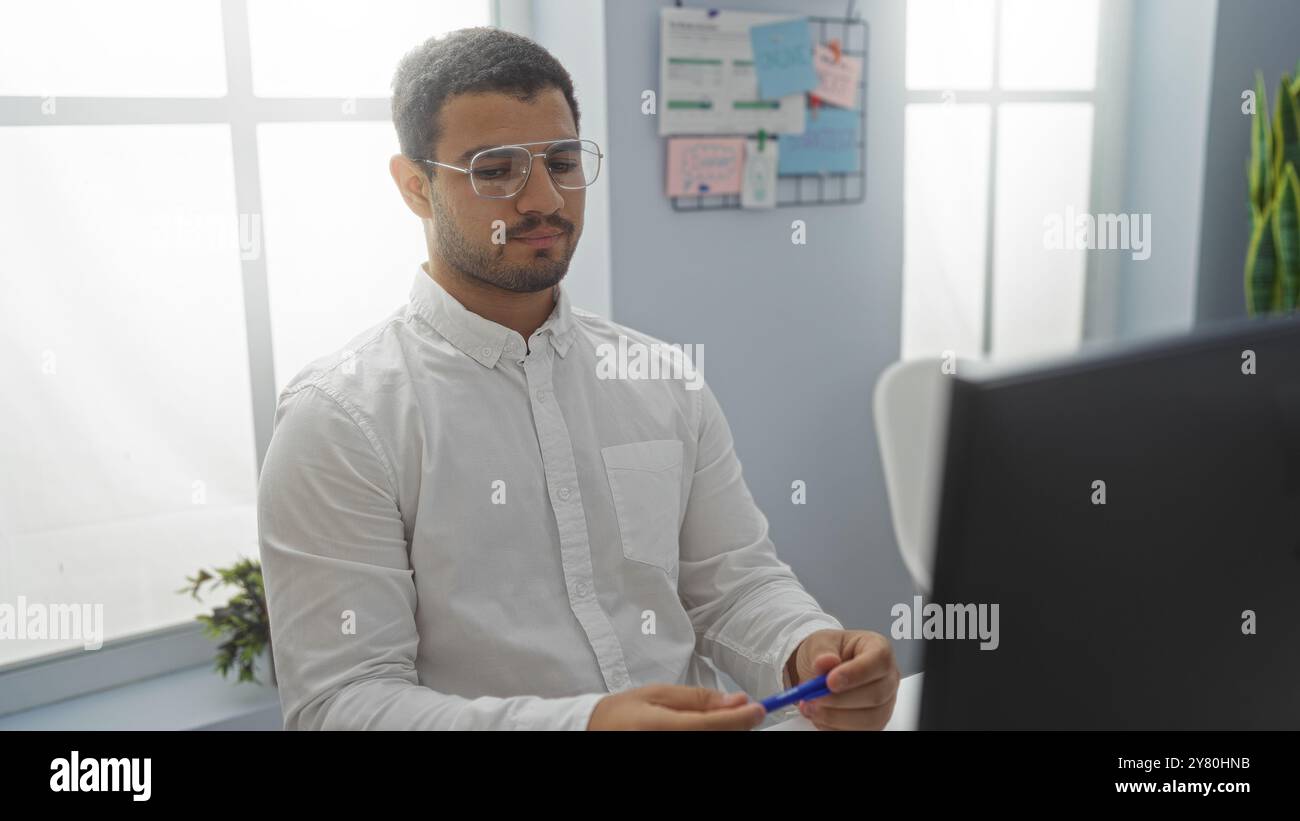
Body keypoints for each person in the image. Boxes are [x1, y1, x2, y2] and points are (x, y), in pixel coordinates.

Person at [257, 27, 899, 730]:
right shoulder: (341, 421)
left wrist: (805, 648)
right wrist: (585, 724)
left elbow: (732, 585)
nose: (542, 200)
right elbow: (341, 705)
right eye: (494, 170)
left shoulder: (660, 379)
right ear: (416, 187)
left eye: (562, 161)